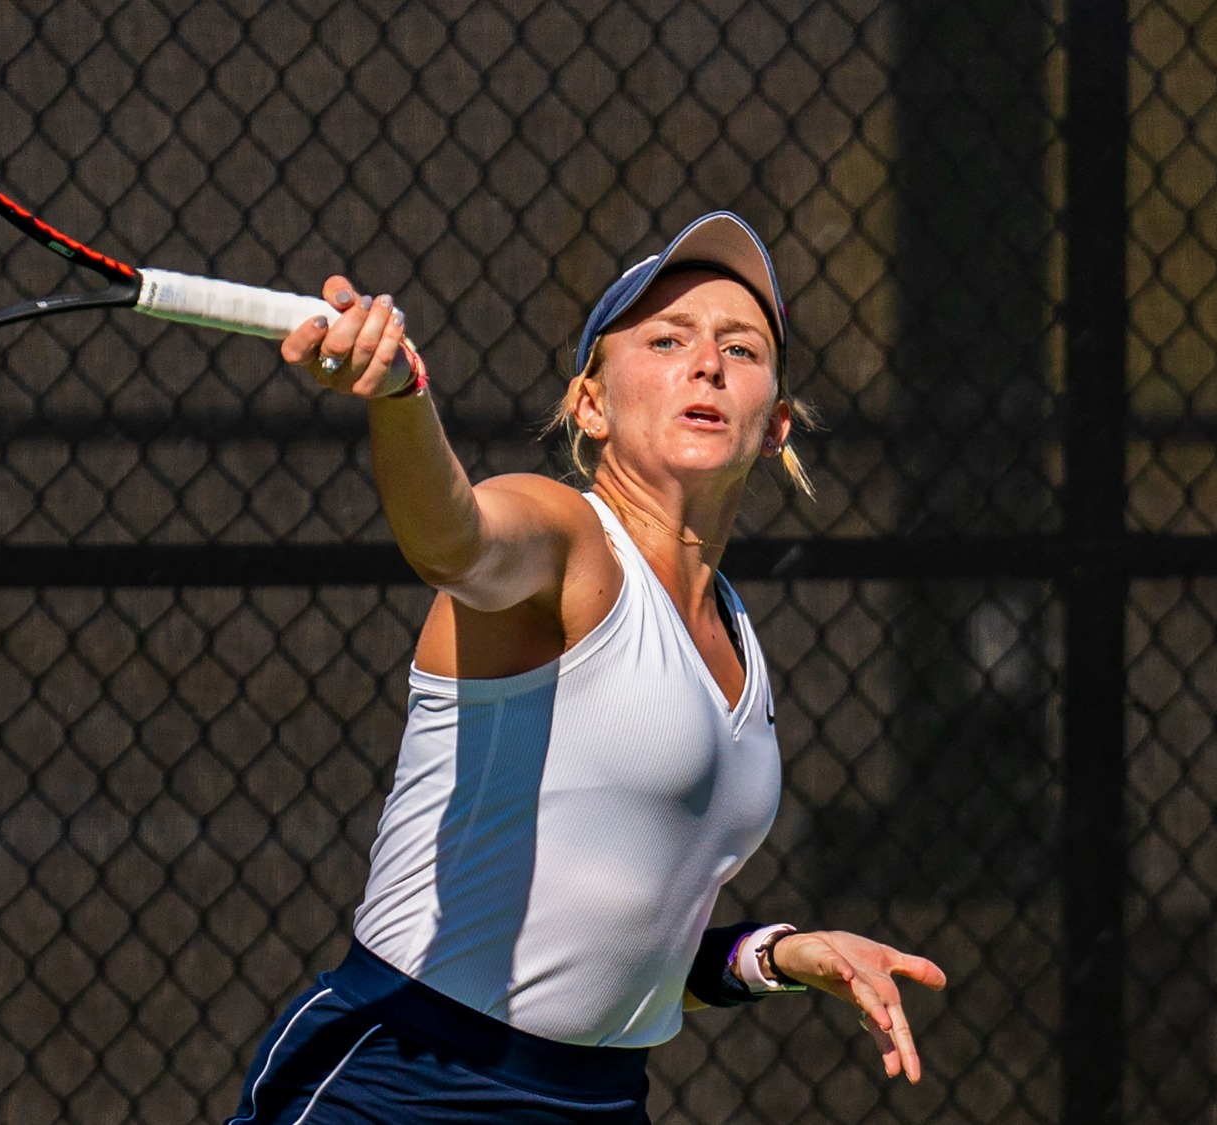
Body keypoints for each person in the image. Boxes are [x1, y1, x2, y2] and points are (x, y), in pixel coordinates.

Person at [228, 213, 948, 1124]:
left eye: (742, 347)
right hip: (403, 1081)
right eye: (666, 338)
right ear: (591, 404)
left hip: (599, 1101)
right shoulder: (567, 540)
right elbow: (456, 540)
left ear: (774, 425)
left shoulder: (734, 636)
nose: (708, 363)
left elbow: (618, 947)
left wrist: (774, 955)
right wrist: (402, 395)